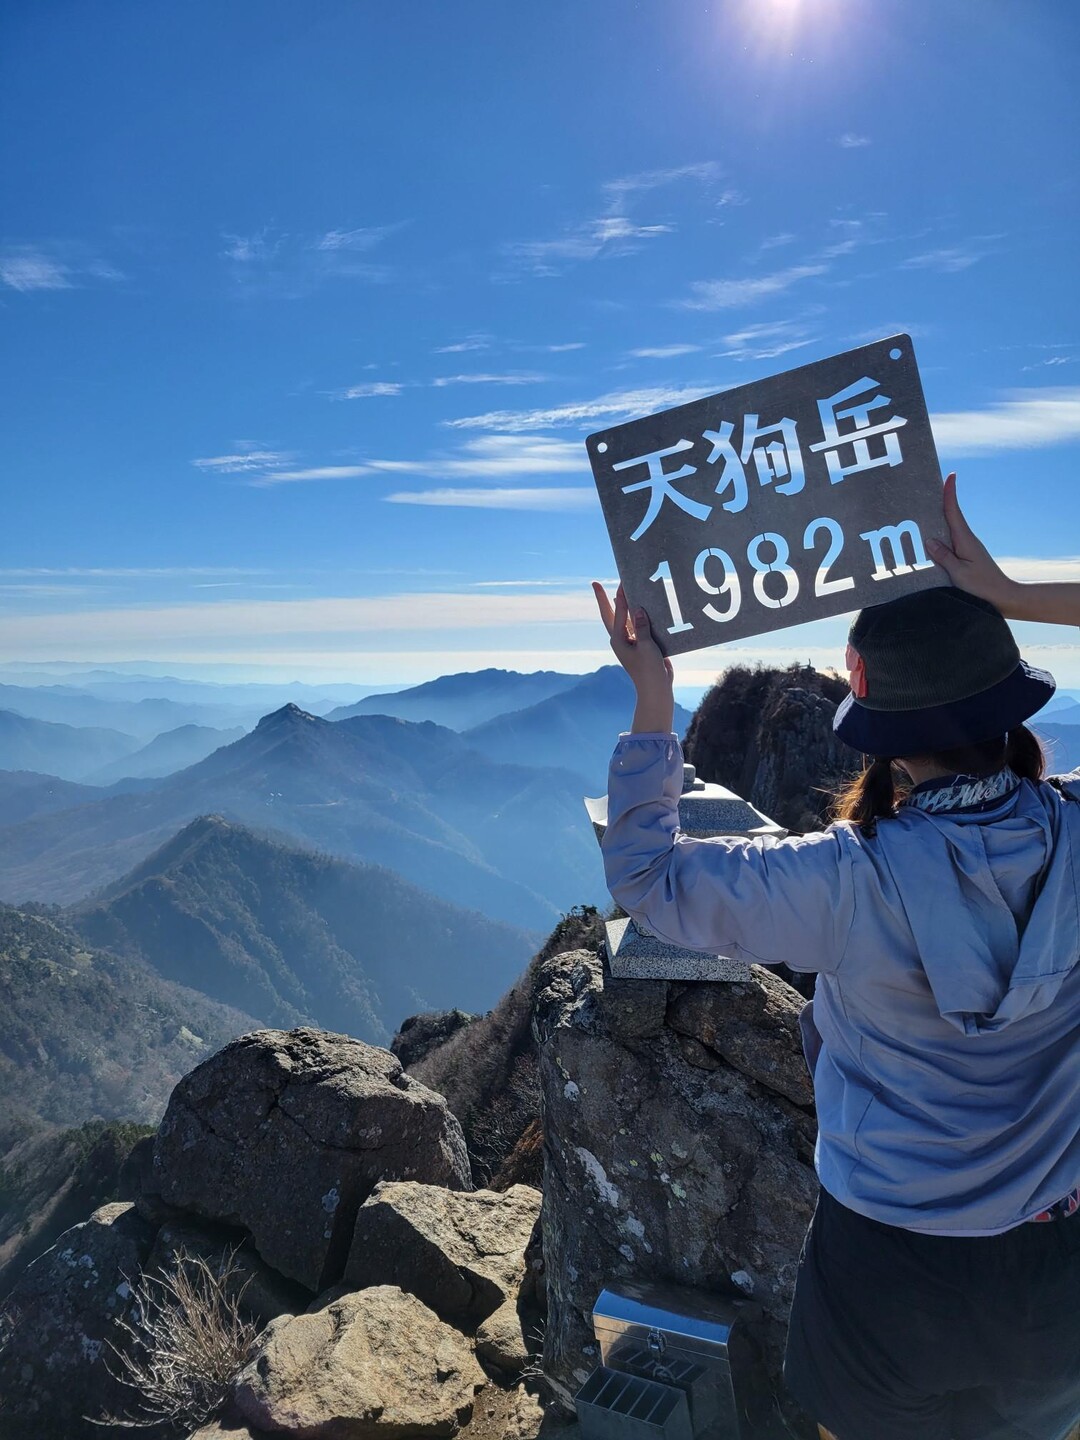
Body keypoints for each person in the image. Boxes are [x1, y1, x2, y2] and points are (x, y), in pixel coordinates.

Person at [592, 476, 1080, 1440]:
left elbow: (647, 876)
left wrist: (654, 697)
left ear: (886, 738)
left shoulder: (844, 882)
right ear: (1012, 708)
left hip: (885, 1267)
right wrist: (1016, 596)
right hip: (1054, 1271)